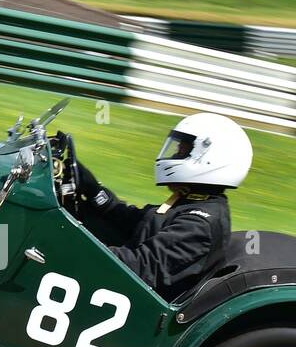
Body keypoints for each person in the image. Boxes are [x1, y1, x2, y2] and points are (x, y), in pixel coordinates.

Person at [73, 113, 252, 302]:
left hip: (131, 300)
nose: (173, 156)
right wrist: (94, 190)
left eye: (181, 152)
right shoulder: (192, 202)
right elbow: (136, 222)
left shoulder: (199, 225)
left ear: (208, 161)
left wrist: (73, 245)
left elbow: (138, 266)